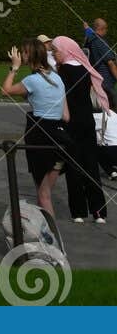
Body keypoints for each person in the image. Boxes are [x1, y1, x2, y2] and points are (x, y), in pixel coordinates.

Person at [1, 40, 67, 217]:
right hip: (60, 136)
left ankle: (52, 240)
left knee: (43, 196)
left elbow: (5, 90)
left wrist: (14, 68)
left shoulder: (32, 80)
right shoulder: (57, 78)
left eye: (23, 53)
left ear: (29, 55)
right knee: (45, 194)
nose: (21, 56)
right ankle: (46, 237)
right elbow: (65, 115)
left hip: (40, 134)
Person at [52, 34, 108, 223]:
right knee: (91, 164)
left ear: (64, 51)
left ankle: (78, 211)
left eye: (55, 51)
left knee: (74, 165)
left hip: (71, 122)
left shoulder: (63, 72)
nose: (54, 54)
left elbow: (62, 99)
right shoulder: (85, 68)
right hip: (87, 121)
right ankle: (99, 212)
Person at [84, 18, 117, 109]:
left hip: (95, 79)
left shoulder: (89, 39)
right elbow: (110, 63)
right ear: (102, 28)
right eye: (106, 29)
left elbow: (88, 31)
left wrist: (86, 28)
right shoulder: (100, 41)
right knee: (110, 110)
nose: (106, 31)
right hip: (105, 82)